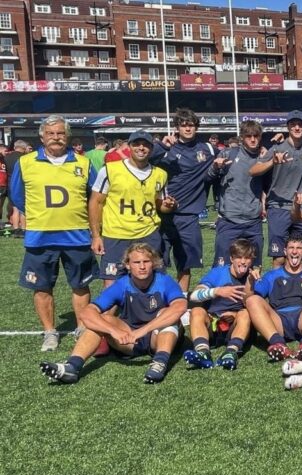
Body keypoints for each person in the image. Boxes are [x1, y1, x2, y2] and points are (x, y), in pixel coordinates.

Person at [9, 115, 98, 351]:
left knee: (80, 284)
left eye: (60, 133)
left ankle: (81, 326)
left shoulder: (84, 163)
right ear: (42, 136)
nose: (56, 138)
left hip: (77, 235)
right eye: (51, 133)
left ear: (67, 136)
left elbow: (95, 197)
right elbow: (18, 197)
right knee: (42, 286)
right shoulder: (26, 162)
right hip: (40, 236)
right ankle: (50, 331)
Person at [39, 243, 185, 384]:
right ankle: (72, 366)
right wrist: (113, 331)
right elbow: (87, 313)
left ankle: (159, 363)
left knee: (168, 313)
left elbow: (180, 307)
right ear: (128, 265)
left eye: (146, 261)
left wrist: (142, 331)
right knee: (101, 319)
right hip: (129, 340)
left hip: (159, 338)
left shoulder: (164, 281)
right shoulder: (122, 284)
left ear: (153, 263)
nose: (142, 266)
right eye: (136, 262)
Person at [88, 130, 175, 287]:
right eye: (136, 144)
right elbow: (96, 202)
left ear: (151, 148)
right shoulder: (109, 170)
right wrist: (96, 236)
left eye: (146, 145)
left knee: (154, 281)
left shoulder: (160, 174)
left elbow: (160, 205)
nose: (141, 148)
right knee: (112, 283)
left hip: (148, 233)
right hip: (116, 235)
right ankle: (111, 313)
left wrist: (169, 205)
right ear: (129, 146)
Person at [151, 108, 217, 291]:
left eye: (191, 125)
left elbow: (230, 158)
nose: (188, 129)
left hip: (188, 216)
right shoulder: (166, 148)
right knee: (157, 264)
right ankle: (160, 302)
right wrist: (162, 146)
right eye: (183, 125)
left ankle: (181, 304)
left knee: (185, 265)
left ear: (196, 127)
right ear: (177, 128)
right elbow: (143, 159)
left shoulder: (208, 149)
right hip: (163, 215)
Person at [250, 110, 302, 267]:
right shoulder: (277, 149)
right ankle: (277, 290)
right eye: (293, 125)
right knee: (279, 256)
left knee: (301, 254)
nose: (297, 128)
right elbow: (253, 170)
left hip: (300, 208)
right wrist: (272, 162)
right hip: (278, 207)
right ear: (288, 127)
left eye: (300, 125)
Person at [245, 234, 302, 362]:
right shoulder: (272, 275)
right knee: (252, 300)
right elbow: (248, 300)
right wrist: (250, 281)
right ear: (285, 251)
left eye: (299, 248)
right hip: (278, 321)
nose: (294, 251)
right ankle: (278, 343)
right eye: (291, 248)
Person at [183, 238, 258, 370]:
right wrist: (217, 291)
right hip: (213, 324)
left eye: (247, 258)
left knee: (245, 313)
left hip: (236, 327)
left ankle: (231, 353)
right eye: (238, 257)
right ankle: (203, 352)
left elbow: (255, 307)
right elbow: (194, 296)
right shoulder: (218, 273)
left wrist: (235, 314)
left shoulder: (254, 277)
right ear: (231, 259)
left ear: (252, 260)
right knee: (197, 311)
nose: (242, 261)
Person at [207, 120, 266, 268]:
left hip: (253, 222)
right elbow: (207, 177)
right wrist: (215, 167)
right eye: (248, 136)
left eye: (256, 136)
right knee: (221, 268)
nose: (253, 139)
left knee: (254, 268)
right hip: (229, 221)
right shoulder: (228, 154)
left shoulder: (264, 157)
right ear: (242, 138)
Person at [4, 139, 31, 238]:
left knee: (14, 208)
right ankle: (23, 229)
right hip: (21, 184)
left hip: (10, 184)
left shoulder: (6, 157)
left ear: (15, 147)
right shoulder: (25, 158)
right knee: (23, 208)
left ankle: (15, 229)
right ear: (24, 148)